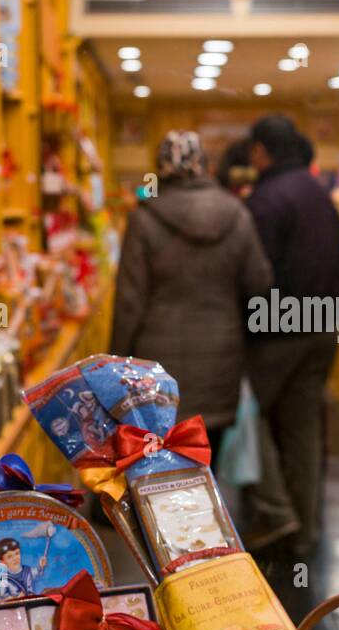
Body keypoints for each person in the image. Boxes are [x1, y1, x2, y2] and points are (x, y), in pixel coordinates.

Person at [110, 130, 272, 456]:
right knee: (208, 461)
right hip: (221, 359)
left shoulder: (144, 218)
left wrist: (115, 367)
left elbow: (129, 303)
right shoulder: (236, 213)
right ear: (204, 164)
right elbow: (260, 284)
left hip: (158, 370)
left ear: (160, 167)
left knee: (162, 467)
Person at [244, 114, 339, 554]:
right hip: (325, 322)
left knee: (243, 414)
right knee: (303, 428)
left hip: (279, 324)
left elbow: (256, 273)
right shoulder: (318, 192)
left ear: (262, 151)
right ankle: (304, 531)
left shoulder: (265, 198)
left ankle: (275, 511)